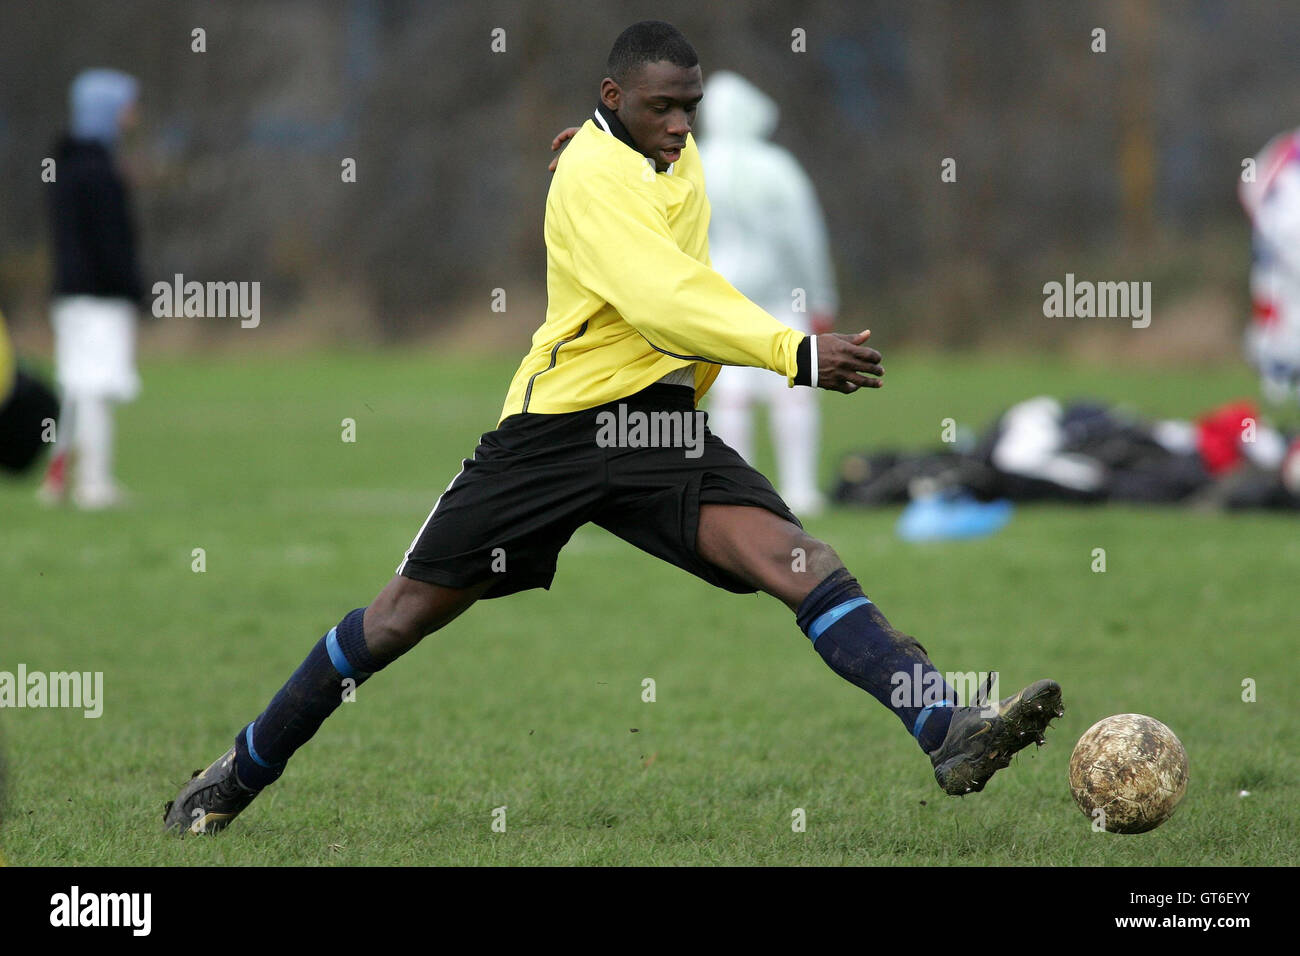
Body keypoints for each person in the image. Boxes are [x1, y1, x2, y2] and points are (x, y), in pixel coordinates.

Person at [165, 21, 1061, 837]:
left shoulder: (658, 155)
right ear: (613, 99)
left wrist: (617, 150)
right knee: (399, 618)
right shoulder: (593, 175)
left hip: (658, 431)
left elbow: (673, 256)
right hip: (555, 436)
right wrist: (793, 351)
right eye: (659, 106)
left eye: (688, 107)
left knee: (802, 561)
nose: (678, 122)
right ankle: (234, 776)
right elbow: (662, 300)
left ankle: (947, 728)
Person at [696, 71, 838, 516]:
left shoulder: (691, 163)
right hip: (781, 296)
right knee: (793, 386)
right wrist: (820, 296)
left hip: (719, 295)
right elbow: (805, 237)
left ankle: (736, 487)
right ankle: (800, 489)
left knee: (730, 391)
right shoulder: (776, 166)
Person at [39, 68, 144, 510]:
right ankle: (92, 483)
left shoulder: (67, 165)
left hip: (71, 295)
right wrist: (132, 287)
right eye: (126, 106)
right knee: (95, 387)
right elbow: (109, 244)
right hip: (97, 298)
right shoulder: (96, 171)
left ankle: (58, 477)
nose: (133, 116)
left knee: (77, 387)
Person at [1240, 127, 1300, 407]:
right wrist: (1267, 230)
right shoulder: (1288, 149)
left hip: (1280, 244)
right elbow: (1251, 185)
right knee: (1277, 314)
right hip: (1281, 246)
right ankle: (1277, 380)